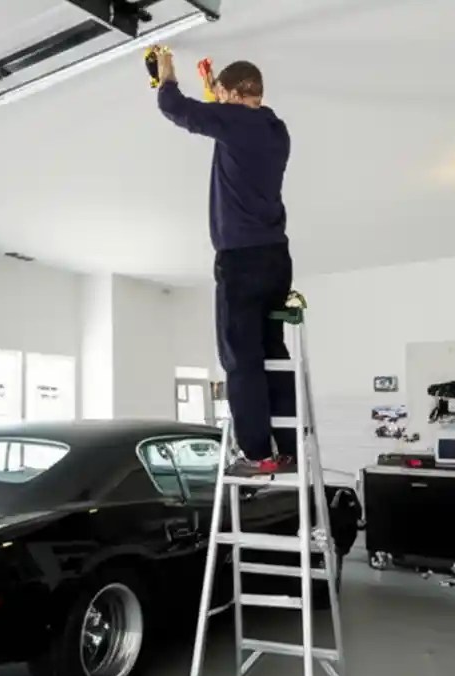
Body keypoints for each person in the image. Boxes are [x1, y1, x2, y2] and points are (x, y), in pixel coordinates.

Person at [153, 48, 296, 476]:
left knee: (240, 357)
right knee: (271, 350)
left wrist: (166, 73)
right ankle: (287, 448)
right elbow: (230, 122)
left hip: (242, 260)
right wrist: (216, 92)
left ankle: (256, 454)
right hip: (276, 258)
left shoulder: (236, 123)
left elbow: (173, 107)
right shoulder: (276, 129)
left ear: (232, 94)